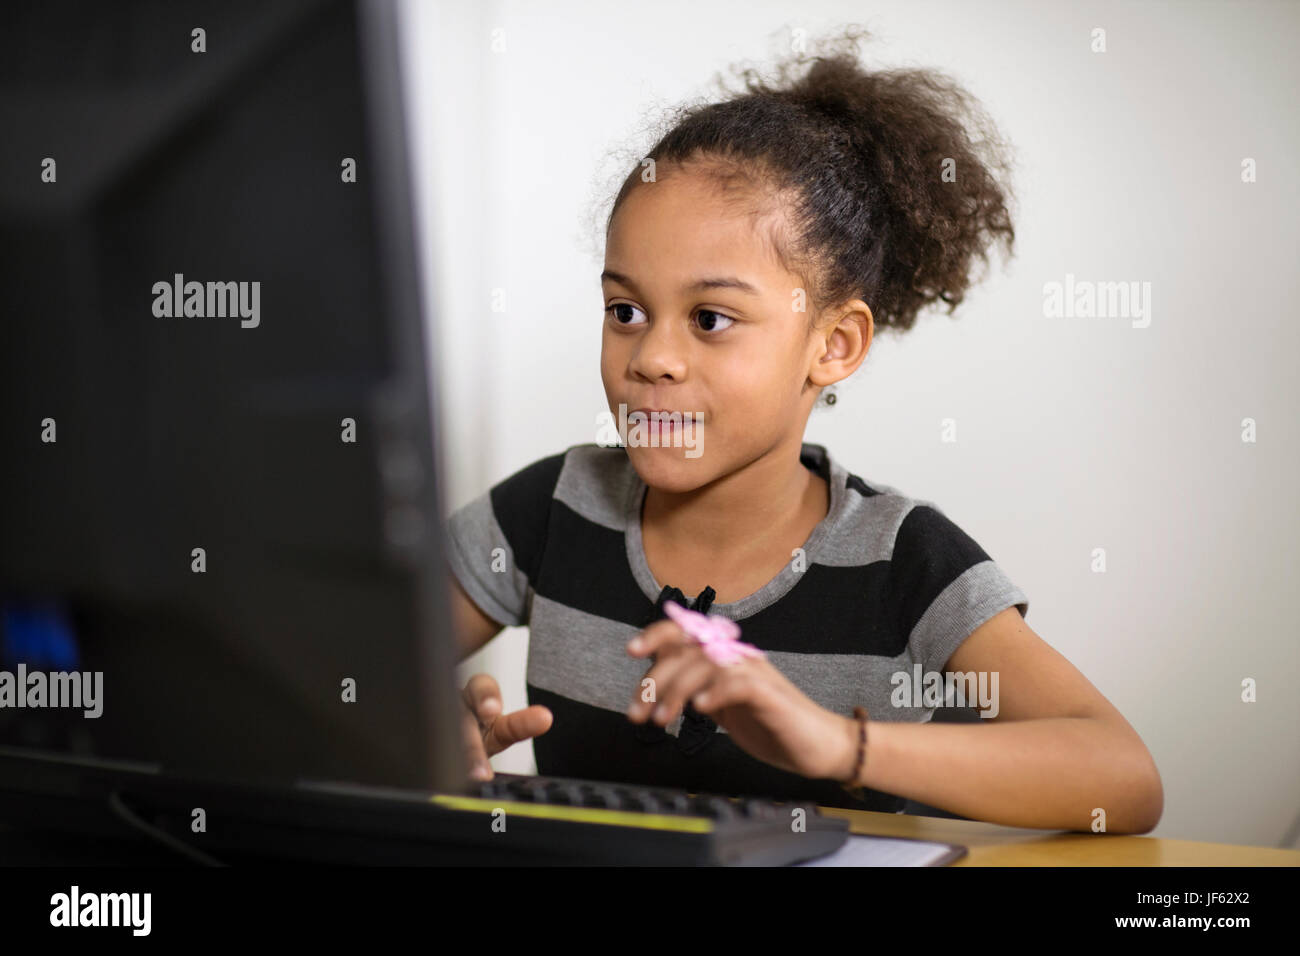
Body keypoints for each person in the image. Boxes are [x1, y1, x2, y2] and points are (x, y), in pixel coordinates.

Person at [445, 26, 1163, 832]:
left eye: (711, 318)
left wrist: (834, 744)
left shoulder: (903, 563)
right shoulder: (554, 507)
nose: (652, 357)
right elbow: (334, 666)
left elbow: (1123, 780)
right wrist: (424, 716)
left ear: (833, 345)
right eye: (625, 311)